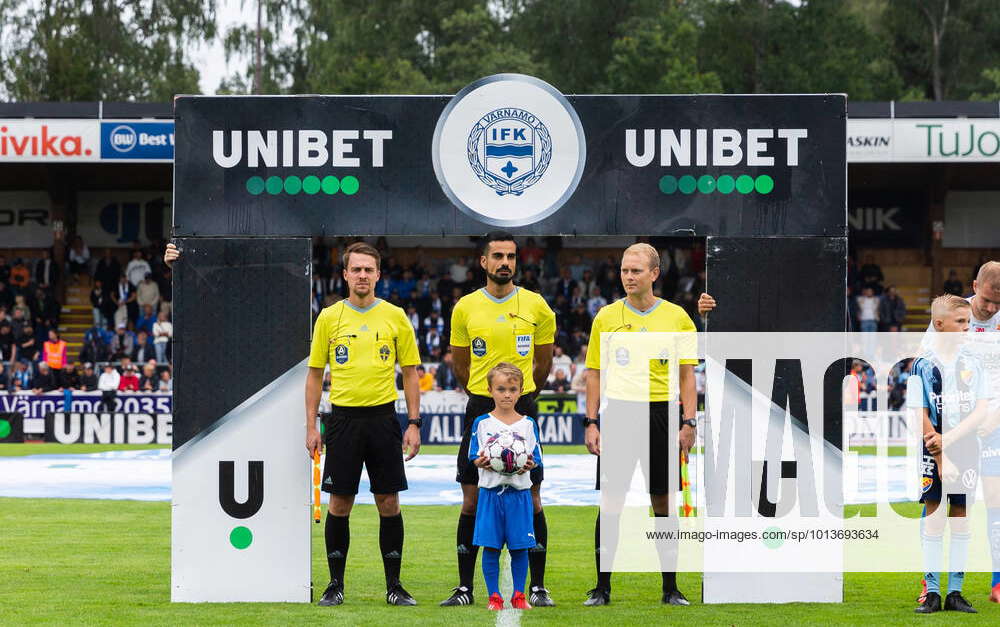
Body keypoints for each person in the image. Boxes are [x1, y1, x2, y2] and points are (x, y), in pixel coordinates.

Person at [304, 241, 423, 608]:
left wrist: (414, 422)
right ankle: (335, 585)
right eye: (355, 269)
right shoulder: (329, 317)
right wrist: (311, 426)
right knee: (340, 503)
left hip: (383, 419)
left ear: (378, 275)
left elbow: (411, 373)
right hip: (343, 420)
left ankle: (395, 586)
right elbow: (314, 375)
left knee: (388, 501)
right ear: (345, 274)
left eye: (368, 269)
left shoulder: (395, 316)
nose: (362, 275)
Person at [442, 231, 556, 608]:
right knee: (472, 498)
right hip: (480, 407)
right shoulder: (465, 307)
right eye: (498, 256)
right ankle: (465, 588)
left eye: (510, 256)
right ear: (484, 261)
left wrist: (522, 398)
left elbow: (543, 362)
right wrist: (485, 396)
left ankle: (537, 587)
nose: (505, 262)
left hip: (524, 408)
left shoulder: (537, 305)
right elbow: (460, 363)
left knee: (532, 496)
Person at [583, 243, 698, 607]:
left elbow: (687, 376)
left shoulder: (677, 317)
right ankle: (602, 588)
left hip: (662, 413)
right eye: (624, 270)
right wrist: (591, 421)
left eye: (636, 271)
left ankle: (671, 588)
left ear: (654, 274)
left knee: (663, 502)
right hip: (619, 413)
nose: (628, 277)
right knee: (611, 503)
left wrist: (689, 421)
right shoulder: (606, 317)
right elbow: (593, 373)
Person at [910, 295, 988, 614]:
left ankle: (955, 592)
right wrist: (941, 456)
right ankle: (932, 593)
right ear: (939, 325)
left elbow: (980, 411)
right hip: (932, 449)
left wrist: (949, 441)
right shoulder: (922, 364)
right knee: (934, 519)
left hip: (965, 447)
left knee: (960, 520)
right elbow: (919, 413)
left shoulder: (973, 363)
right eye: (960, 322)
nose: (967, 327)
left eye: (968, 322)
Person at [468, 363, 542, 611]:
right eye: (501, 389)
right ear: (490, 390)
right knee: (490, 547)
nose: (507, 394)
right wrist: (480, 462)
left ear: (521, 391)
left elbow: (536, 457)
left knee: (520, 548)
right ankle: (494, 597)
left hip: (519, 494)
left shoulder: (528, 424)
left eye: (512, 389)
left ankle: (519, 595)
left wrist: (529, 464)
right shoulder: (482, 423)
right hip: (490, 494)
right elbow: (472, 455)